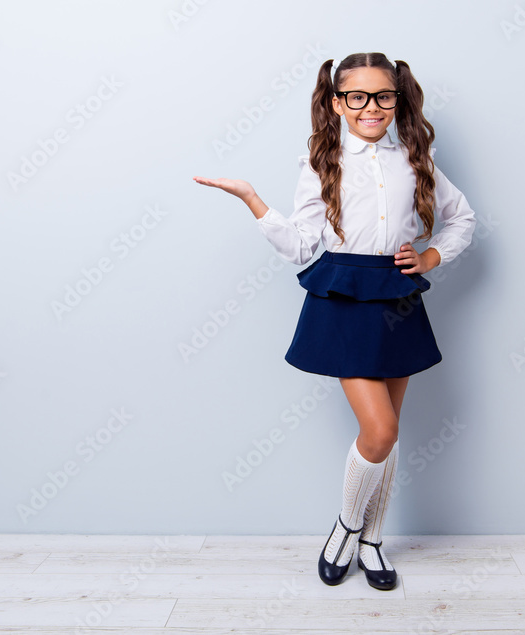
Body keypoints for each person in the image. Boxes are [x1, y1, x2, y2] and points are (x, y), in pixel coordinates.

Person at [193, 52, 475, 591]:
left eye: (383, 96)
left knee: (388, 435)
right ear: (336, 101)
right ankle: (347, 527)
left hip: (397, 296)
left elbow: (461, 218)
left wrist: (433, 256)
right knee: (381, 429)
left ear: (398, 99)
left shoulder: (417, 155)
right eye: (358, 96)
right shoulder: (322, 160)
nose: (372, 107)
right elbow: (301, 246)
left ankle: (371, 543)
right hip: (343, 294)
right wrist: (253, 200)